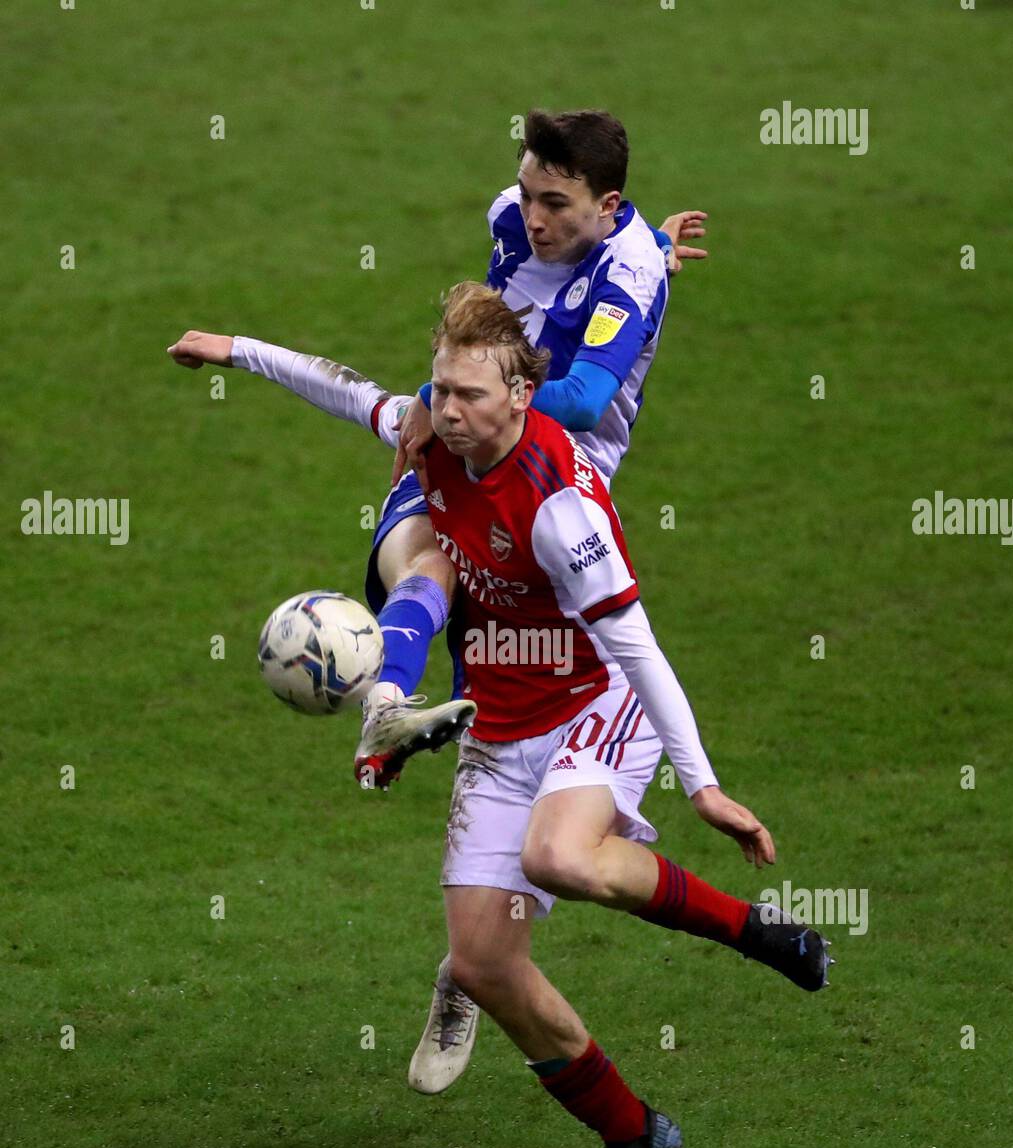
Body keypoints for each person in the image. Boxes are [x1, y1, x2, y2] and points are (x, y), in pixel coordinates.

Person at [167, 108, 709, 1096]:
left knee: (510, 744)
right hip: (467, 460)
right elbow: (502, 310)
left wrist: (460, 401)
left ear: (607, 206)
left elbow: (581, 403)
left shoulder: (623, 271)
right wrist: (444, 404)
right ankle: (388, 704)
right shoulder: (515, 219)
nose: (533, 218)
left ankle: (468, 968)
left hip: (548, 480)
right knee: (428, 568)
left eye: (559, 205)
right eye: (530, 195)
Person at [396, 281, 833, 1148]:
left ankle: (753, 931)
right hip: (499, 727)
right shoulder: (434, 432)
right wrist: (232, 349)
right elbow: (342, 390)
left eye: (470, 394)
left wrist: (702, 785)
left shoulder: (559, 510)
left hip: (596, 701)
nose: (447, 409)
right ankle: (634, 1136)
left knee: (555, 857)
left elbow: (636, 647)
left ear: (522, 395)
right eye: (439, 390)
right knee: (482, 967)